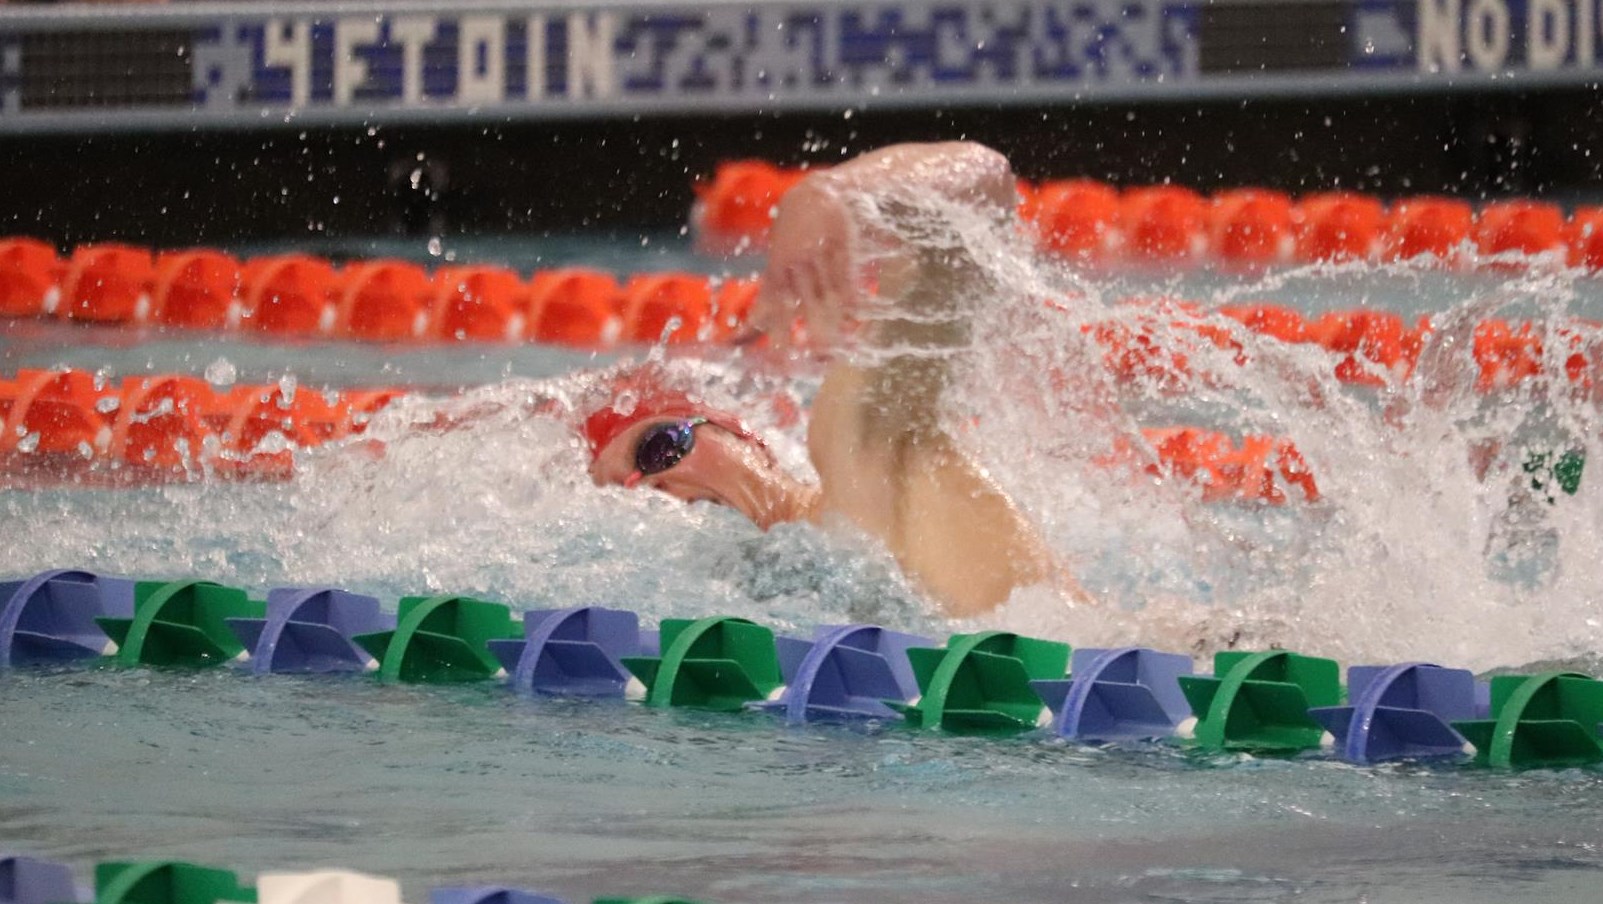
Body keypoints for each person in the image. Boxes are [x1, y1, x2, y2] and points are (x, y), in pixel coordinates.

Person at [585, 142, 1090, 618]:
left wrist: (832, 194)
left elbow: (986, 184)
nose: (660, 489)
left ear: (744, 436)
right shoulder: (803, 591)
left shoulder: (855, 452)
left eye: (658, 449)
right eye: (632, 497)